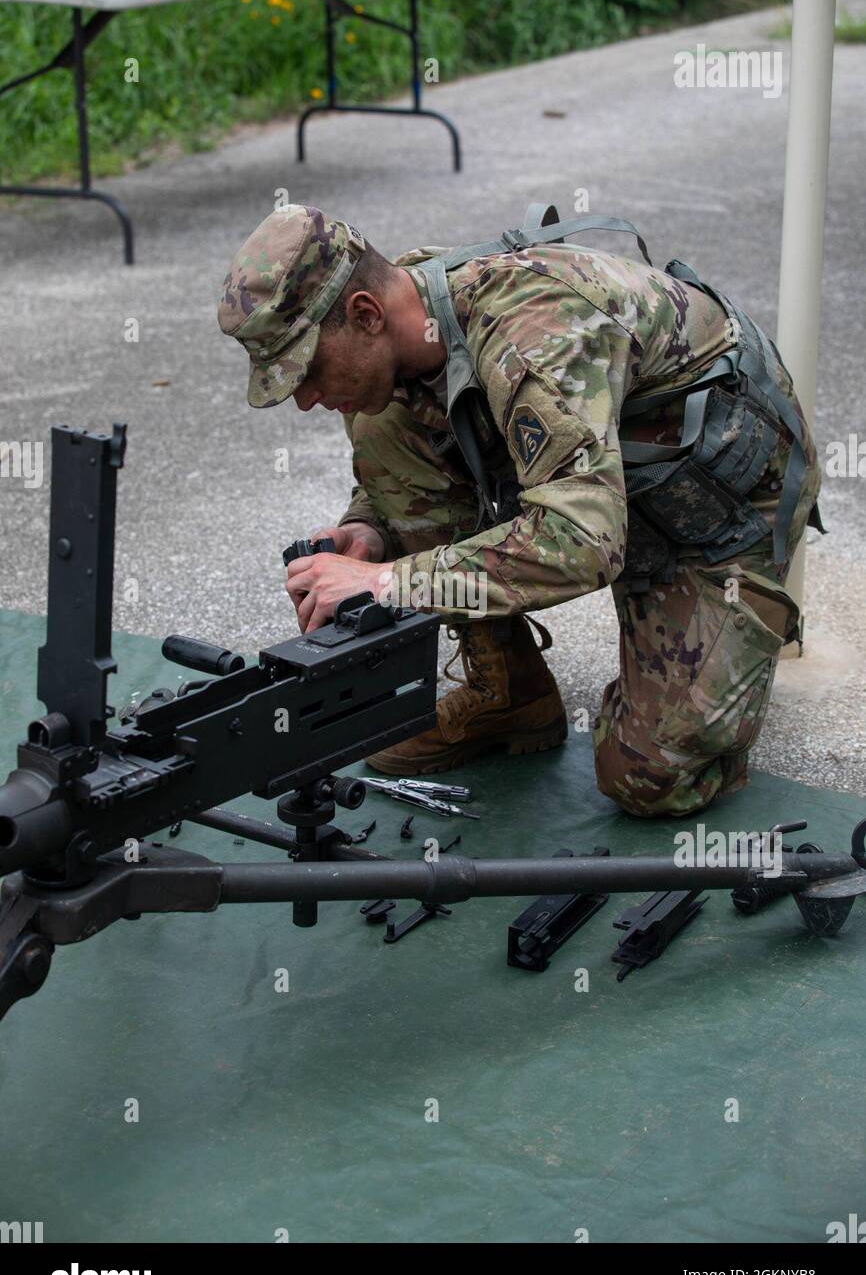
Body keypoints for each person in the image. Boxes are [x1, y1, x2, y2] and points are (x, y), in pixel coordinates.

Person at [218, 203, 822, 817]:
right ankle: (508, 690)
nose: (305, 399)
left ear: (365, 314)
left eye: (307, 369)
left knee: (647, 777)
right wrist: (367, 532)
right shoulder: (407, 316)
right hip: (605, 476)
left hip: (713, 508)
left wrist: (386, 583)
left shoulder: (531, 338)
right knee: (383, 419)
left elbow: (586, 542)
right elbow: (426, 452)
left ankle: (734, 625)